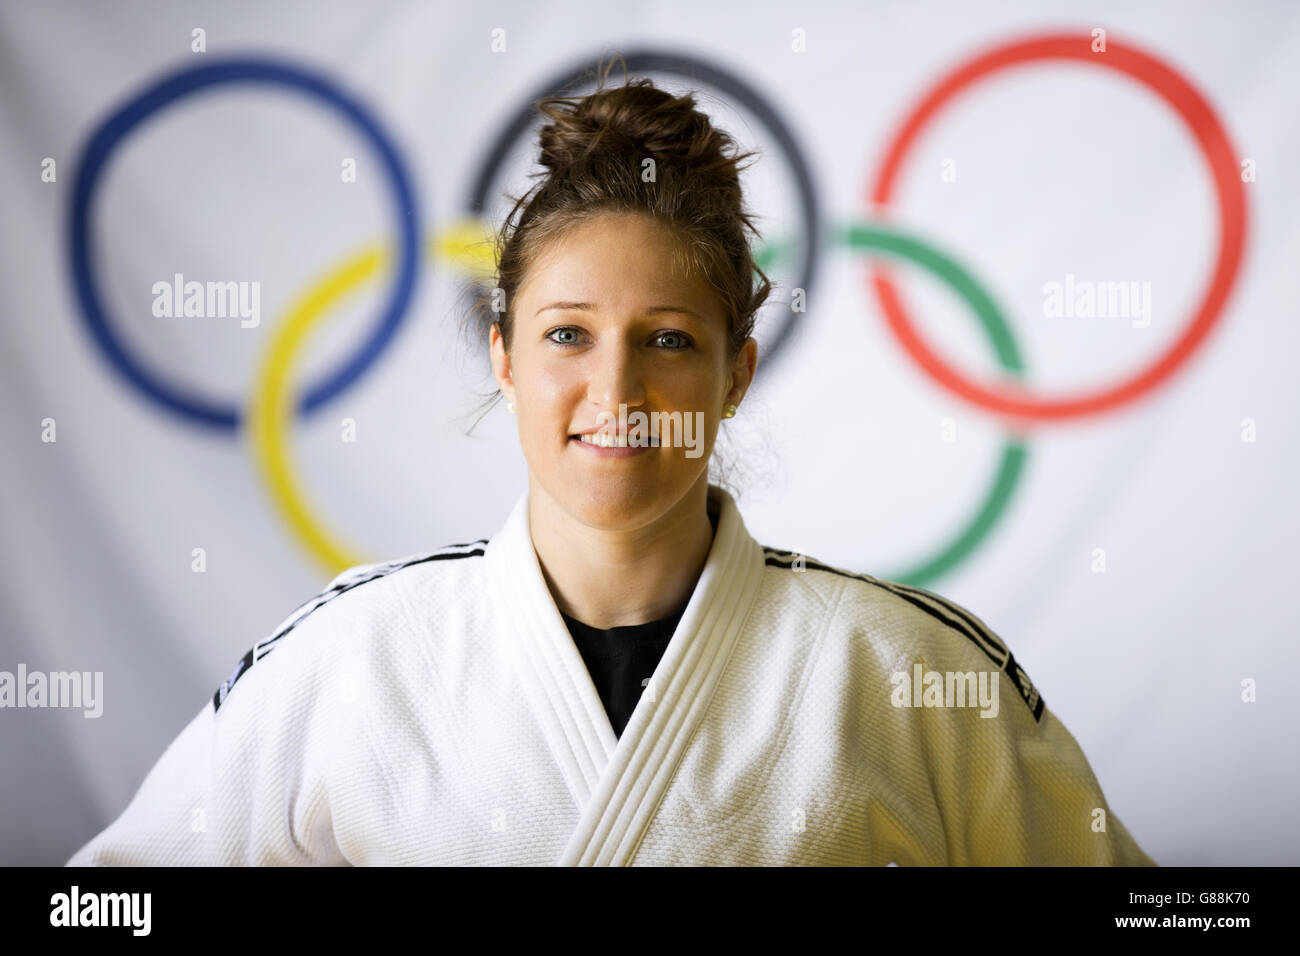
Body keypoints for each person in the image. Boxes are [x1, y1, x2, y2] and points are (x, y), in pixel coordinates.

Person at [67, 61, 1154, 867]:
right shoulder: (355, 658)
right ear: (501, 356)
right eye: (566, 334)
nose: (618, 393)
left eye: (670, 339)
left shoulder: (899, 668)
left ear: (737, 374)